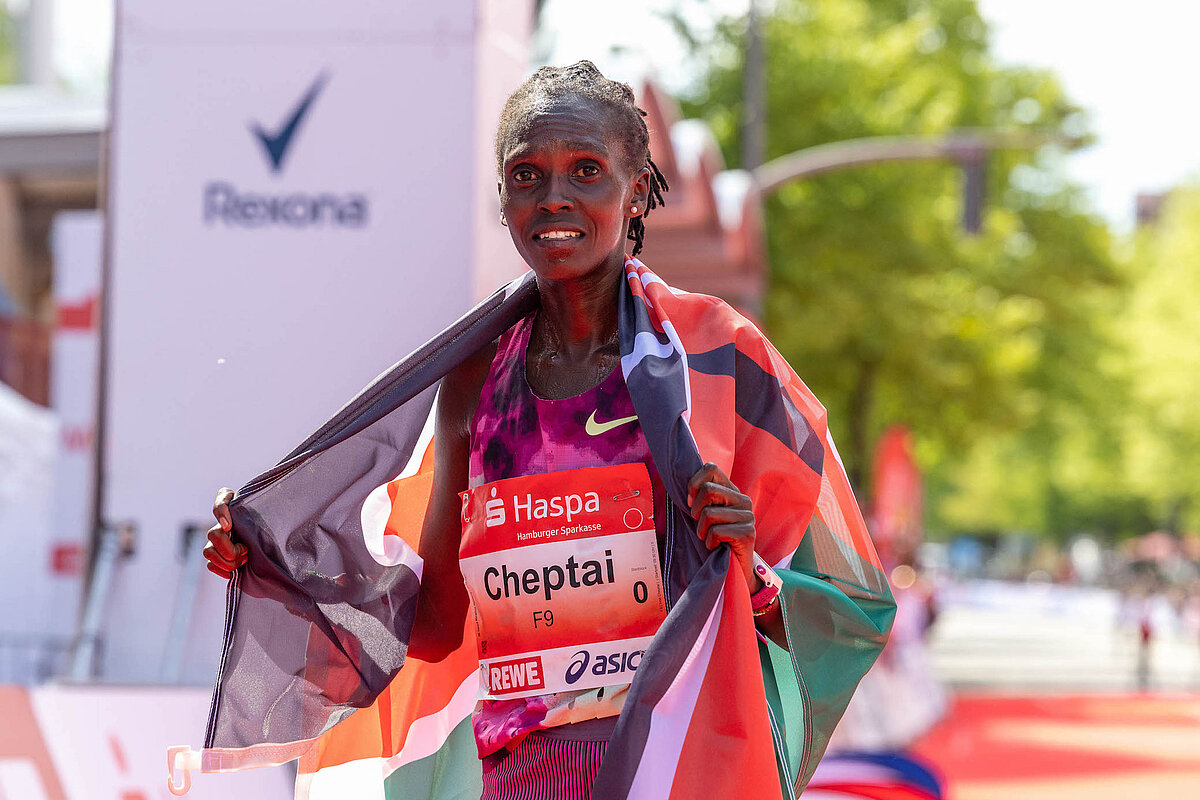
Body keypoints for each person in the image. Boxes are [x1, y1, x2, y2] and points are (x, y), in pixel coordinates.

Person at [204, 61, 892, 800]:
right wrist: (280, 567)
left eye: (586, 170)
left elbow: (847, 612)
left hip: (676, 771)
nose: (554, 196)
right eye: (526, 175)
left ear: (636, 191)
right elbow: (435, 627)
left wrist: (749, 575)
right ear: (503, 201)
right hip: (524, 778)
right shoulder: (474, 379)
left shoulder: (716, 357)